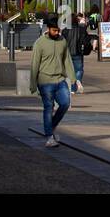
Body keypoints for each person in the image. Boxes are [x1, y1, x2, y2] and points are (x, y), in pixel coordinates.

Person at [30, 15, 76, 148]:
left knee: (65, 103)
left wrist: (73, 78)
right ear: (48, 29)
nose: (57, 33)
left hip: (60, 79)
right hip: (45, 81)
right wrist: (33, 84)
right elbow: (34, 64)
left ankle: (51, 126)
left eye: (58, 30)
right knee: (48, 107)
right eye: (55, 30)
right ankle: (49, 137)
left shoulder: (62, 41)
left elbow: (67, 60)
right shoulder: (40, 43)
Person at [63, 13, 93, 94]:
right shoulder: (81, 29)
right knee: (79, 69)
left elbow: (62, 42)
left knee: (69, 71)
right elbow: (86, 39)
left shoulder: (65, 30)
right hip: (78, 52)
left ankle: (72, 89)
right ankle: (78, 81)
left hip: (68, 53)